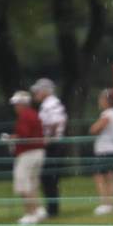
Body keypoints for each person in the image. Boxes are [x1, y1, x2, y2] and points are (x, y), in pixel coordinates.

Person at [4, 90, 45, 223]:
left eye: (17, 104)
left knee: (23, 183)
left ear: (23, 104)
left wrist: (10, 138)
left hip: (28, 153)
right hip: (37, 152)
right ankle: (38, 211)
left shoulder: (25, 116)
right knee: (32, 183)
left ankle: (30, 214)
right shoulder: (33, 114)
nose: (15, 107)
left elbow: (24, 136)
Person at [31, 78, 68, 217]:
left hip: (53, 144)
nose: (36, 93)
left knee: (49, 177)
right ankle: (51, 208)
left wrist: (47, 138)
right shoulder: (48, 104)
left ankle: (52, 210)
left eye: (38, 91)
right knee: (48, 178)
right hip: (53, 143)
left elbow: (55, 122)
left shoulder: (51, 104)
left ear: (45, 91)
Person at [88, 88, 113, 214]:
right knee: (110, 176)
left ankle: (106, 203)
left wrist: (93, 127)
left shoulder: (107, 114)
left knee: (100, 176)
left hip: (105, 149)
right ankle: (110, 203)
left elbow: (95, 129)